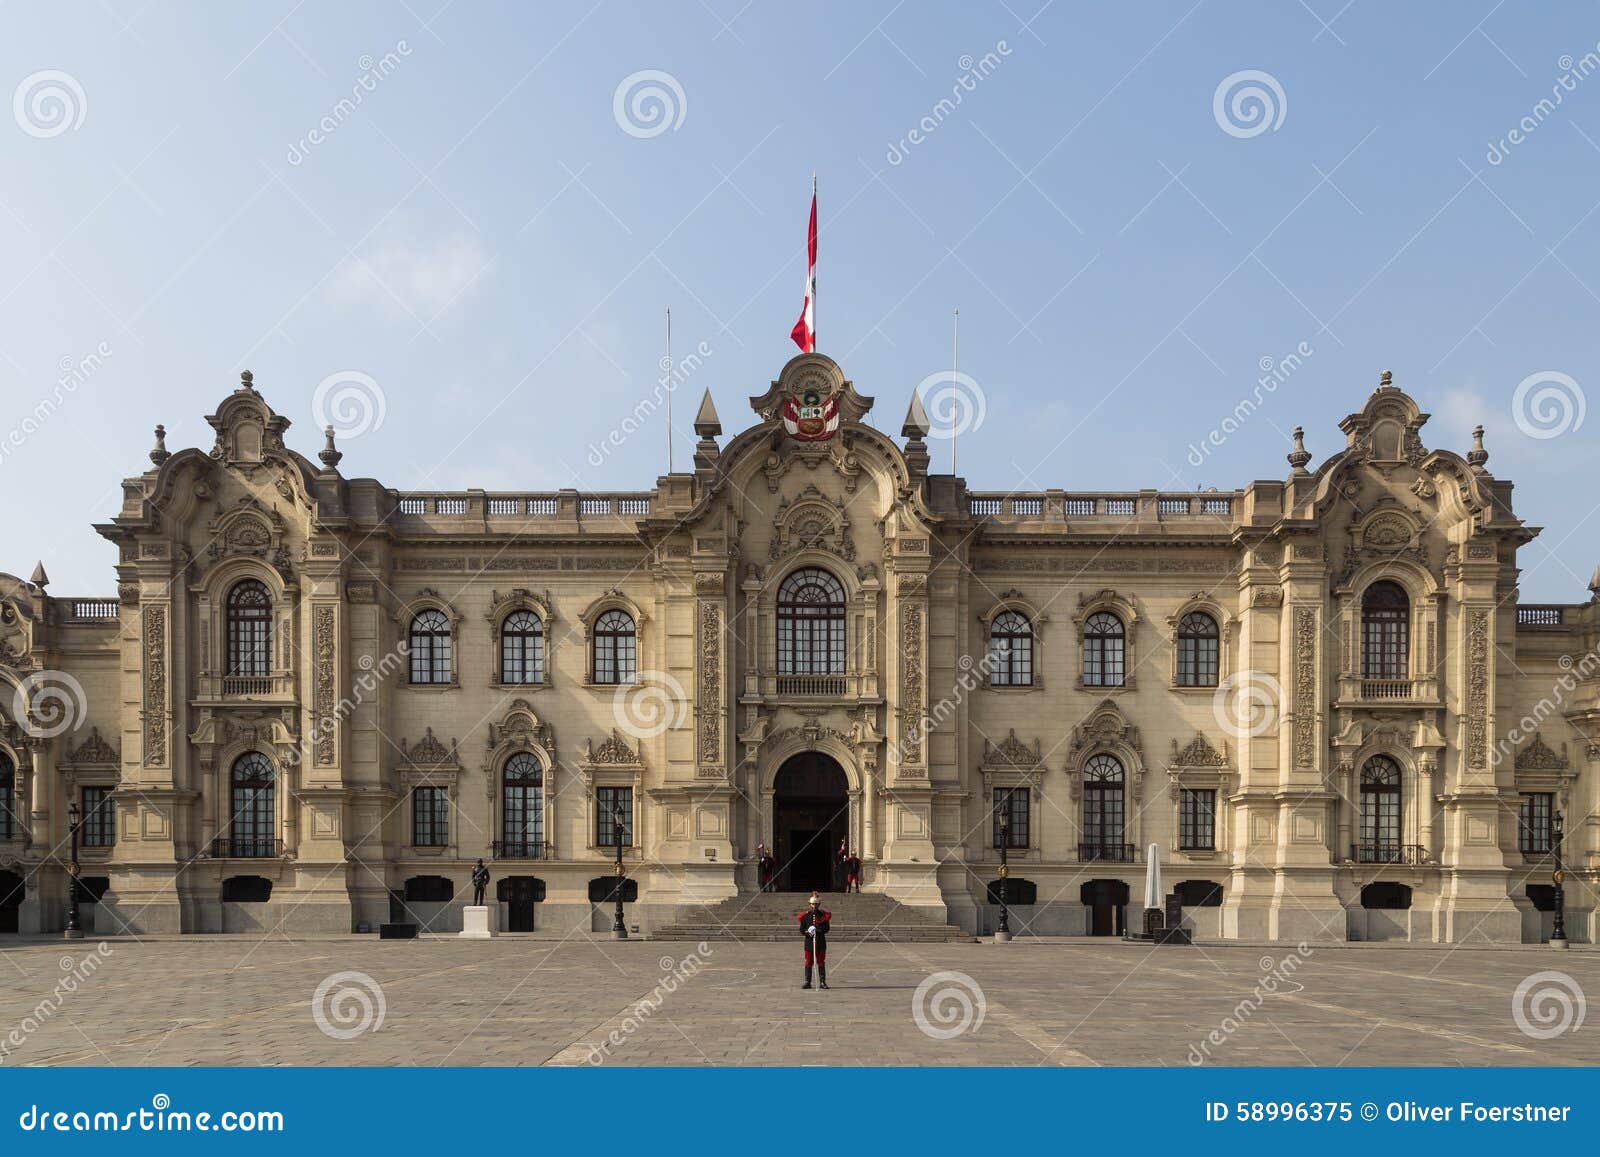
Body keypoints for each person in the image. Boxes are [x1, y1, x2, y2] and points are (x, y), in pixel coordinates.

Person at [797, 891, 831, 990]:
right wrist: (808, 932)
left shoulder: (823, 915)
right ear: (809, 904)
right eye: (812, 904)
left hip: (820, 942)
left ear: (819, 904)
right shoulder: (805, 916)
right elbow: (801, 930)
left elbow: (826, 928)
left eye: (816, 904)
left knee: (821, 962)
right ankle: (807, 982)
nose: (814, 906)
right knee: (808, 962)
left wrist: (818, 930)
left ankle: (822, 981)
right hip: (809, 943)